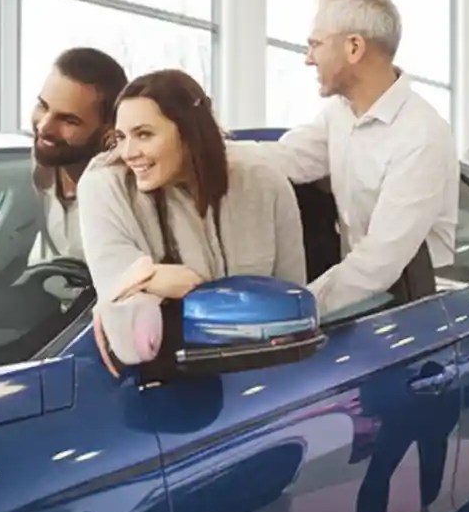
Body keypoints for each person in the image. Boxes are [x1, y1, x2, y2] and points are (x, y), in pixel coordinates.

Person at [78, 69, 307, 372]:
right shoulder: (105, 186)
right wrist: (147, 281)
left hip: (260, 378)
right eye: (121, 137)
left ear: (188, 132)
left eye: (144, 134)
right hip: (161, 385)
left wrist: (143, 281)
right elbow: (126, 330)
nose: (129, 153)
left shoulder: (264, 182)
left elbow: (292, 306)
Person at [255, 0, 459, 316]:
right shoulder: (340, 114)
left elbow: (378, 262)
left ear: (353, 48)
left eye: (315, 44)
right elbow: (289, 158)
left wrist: (295, 312)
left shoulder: (421, 135)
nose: (308, 58)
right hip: (362, 294)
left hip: (416, 306)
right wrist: (205, 150)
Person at [30, 47, 129, 261]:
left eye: (68, 120)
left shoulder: (130, 198)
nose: (44, 127)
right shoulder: (35, 172)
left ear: (109, 132)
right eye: (43, 106)